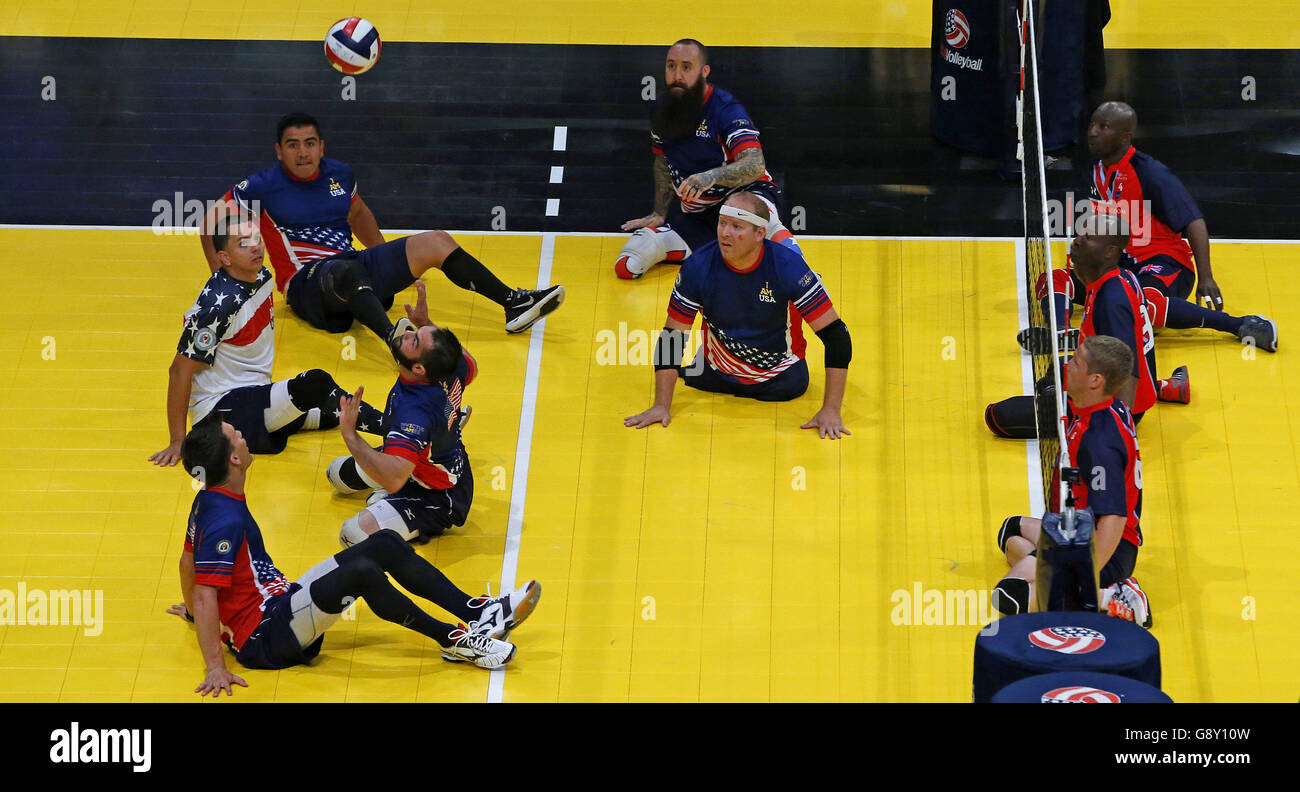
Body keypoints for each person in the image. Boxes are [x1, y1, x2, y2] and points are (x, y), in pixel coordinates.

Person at [167, 414, 541, 696]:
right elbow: (205, 589)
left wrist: (197, 612)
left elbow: (189, 563)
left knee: (385, 543)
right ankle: (453, 641)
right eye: (236, 437)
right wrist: (214, 665)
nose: (244, 437)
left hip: (279, 602)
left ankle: (478, 612)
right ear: (233, 460)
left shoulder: (209, 499)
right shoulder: (224, 519)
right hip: (266, 638)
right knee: (361, 570)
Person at [201, 111, 564, 348]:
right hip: (306, 285)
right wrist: (223, 280)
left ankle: (514, 304)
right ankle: (396, 342)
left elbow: (359, 214)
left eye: (310, 144)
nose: (302, 153)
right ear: (279, 151)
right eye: (293, 146)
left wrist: (388, 261)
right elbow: (211, 220)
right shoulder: (263, 185)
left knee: (435, 241)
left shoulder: (339, 175)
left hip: (353, 264)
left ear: (321, 146)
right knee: (345, 269)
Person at [149, 217, 387, 466]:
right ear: (225, 257)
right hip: (220, 411)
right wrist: (178, 440)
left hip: (253, 393)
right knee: (316, 385)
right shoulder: (217, 309)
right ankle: (395, 433)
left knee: (331, 409)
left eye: (256, 239)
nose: (255, 247)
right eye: (243, 243)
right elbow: (178, 371)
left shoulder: (262, 275)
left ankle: (397, 432)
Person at [624, 193, 851, 438]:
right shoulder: (698, 266)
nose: (725, 233)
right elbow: (672, 337)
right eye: (722, 223)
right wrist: (661, 405)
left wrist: (831, 410)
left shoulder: (788, 267)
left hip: (781, 381)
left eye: (736, 226)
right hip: (713, 375)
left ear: (760, 234)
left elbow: (836, 336)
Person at [1082, 101, 1277, 363]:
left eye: (1103, 127)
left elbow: (1194, 221)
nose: (1093, 131)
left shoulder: (1149, 173)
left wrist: (1206, 277)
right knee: (1057, 281)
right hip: (1122, 262)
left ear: (1124, 137)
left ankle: (1242, 324)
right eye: (1092, 124)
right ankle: (1065, 334)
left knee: (1143, 305)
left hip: (1164, 261)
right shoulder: (1096, 169)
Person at [991, 334, 1151, 628]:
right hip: (1074, 531)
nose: (1067, 365)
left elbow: (1114, 519)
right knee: (1011, 533)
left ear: (1095, 381)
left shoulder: (1100, 442)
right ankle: (1060, 580)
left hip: (1108, 549)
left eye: (1076, 363)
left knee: (1008, 597)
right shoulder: (1102, 407)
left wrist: (1085, 578)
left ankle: (1112, 596)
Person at [615, 39, 803, 280]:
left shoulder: (724, 109)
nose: (677, 75)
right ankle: (725, 252)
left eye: (686, 67)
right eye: (671, 66)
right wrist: (659, 212)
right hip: (701, 217)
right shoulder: (661, 108)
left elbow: (756, 164)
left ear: (704, 72)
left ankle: (802, 278)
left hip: (745, 196)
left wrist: (710, 177)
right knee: (629, 263)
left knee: (749, 218)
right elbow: (662, 160)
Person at [987, 208, 1172, 438]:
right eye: (1080, 234)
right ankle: (1166, 387)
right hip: (1109, 383)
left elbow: (1130, 367)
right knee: (1060, 366)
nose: (1077, 241)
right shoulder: (1120, 276)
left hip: (1111, 407)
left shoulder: (1111, 302)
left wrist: (1118, 430)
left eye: (1089, 238)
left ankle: (1066, 403)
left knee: (999, 416)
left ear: (1109, 251)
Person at [324, 280, 480, 545]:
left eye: (415, 339)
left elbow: (395, 478)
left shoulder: (414, 412)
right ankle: (427, 444)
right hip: (429, 455)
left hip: (440, 492)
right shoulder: (449, 366)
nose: (407, 332)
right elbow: (472, 366)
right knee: (336, 474)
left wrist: (350, 435)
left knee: (353, 533)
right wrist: (425, 321)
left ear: (419, 369)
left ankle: (399, 496)